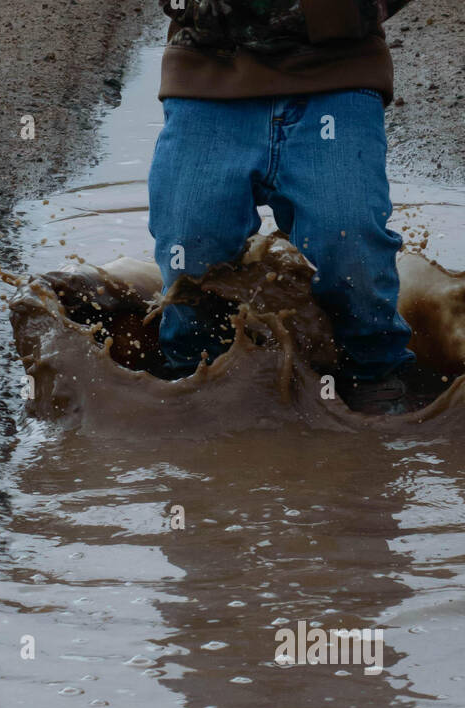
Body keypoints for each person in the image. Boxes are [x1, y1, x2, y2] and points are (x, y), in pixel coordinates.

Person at [148, 0, 416, 412]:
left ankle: (371, 370)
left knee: (347, 238)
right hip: (209, 70)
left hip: (338, 72)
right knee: (189, 241)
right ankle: (197, 369)